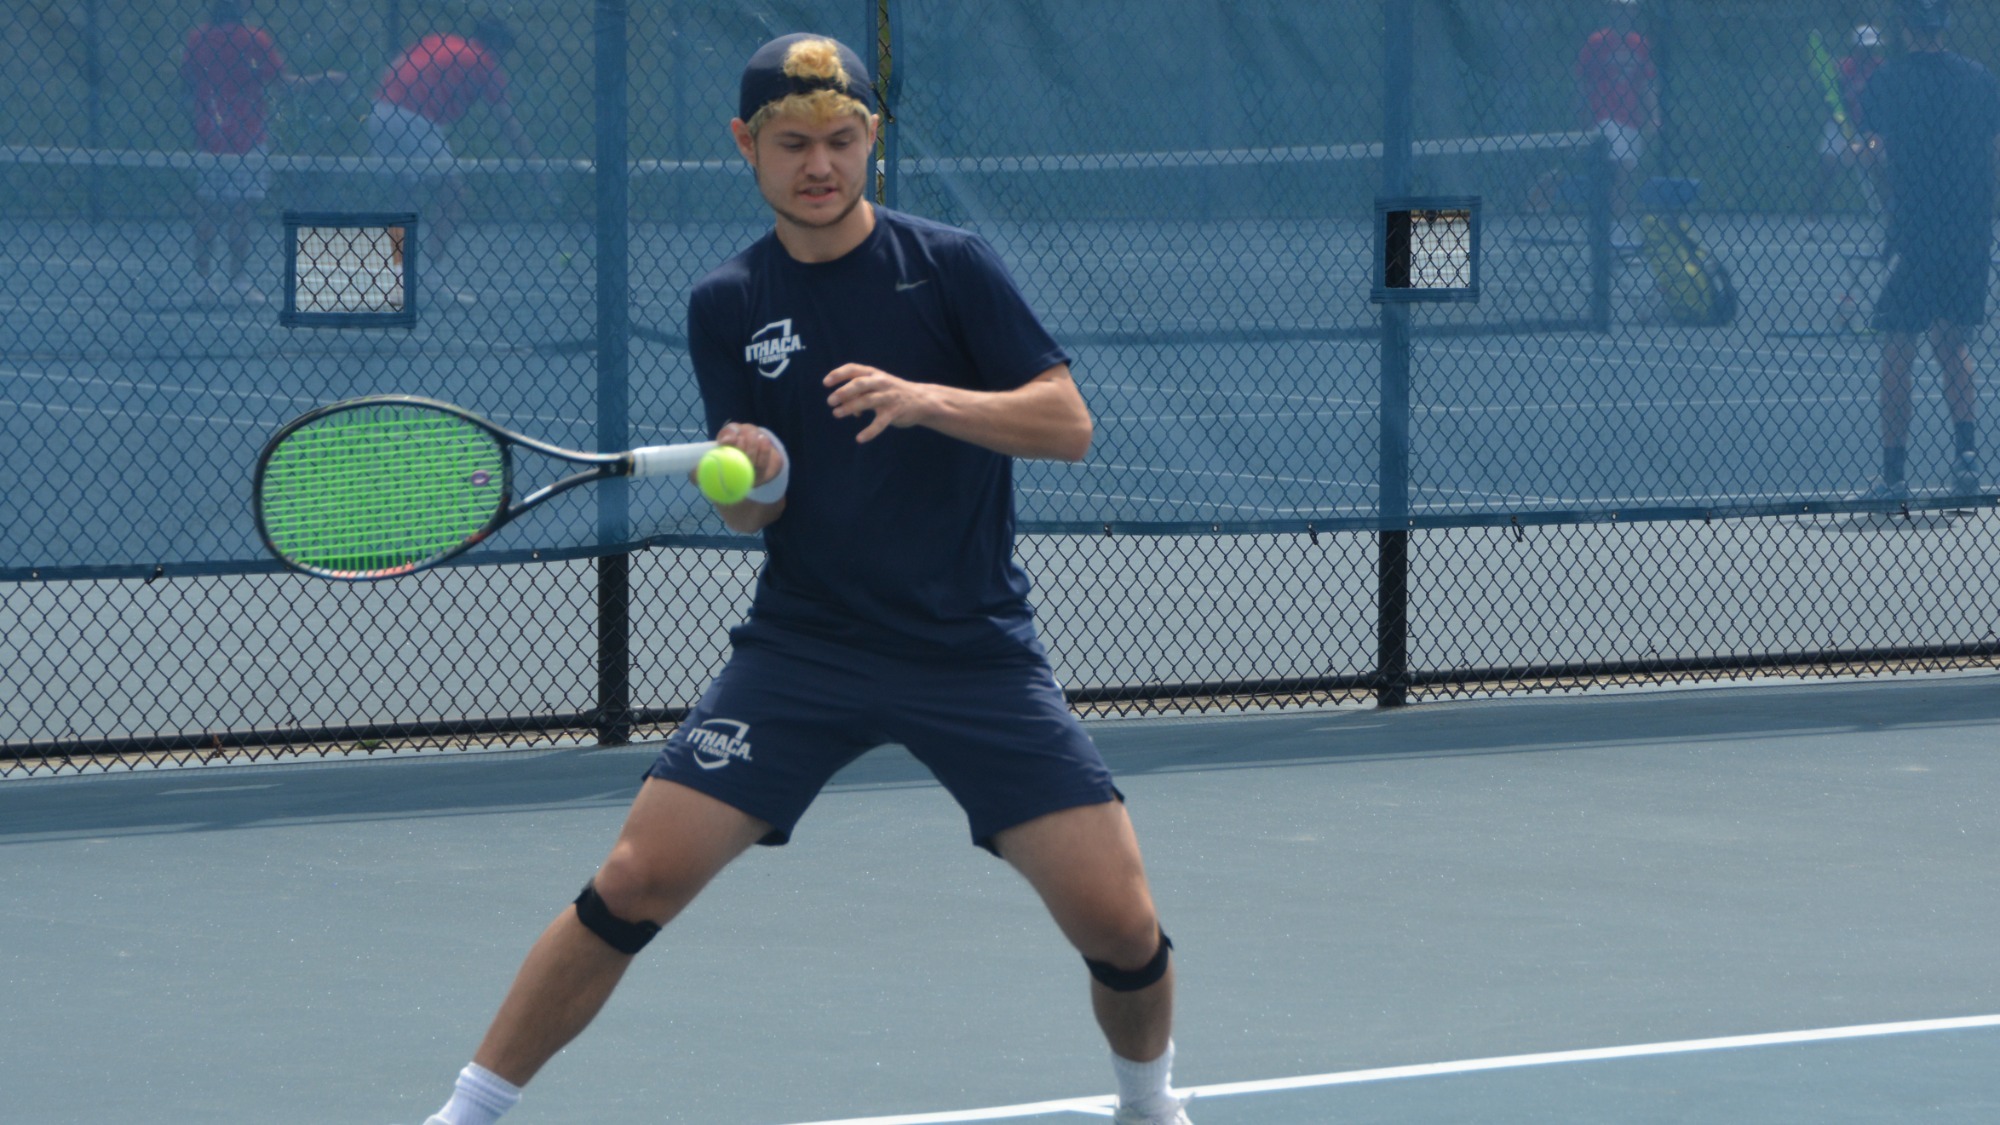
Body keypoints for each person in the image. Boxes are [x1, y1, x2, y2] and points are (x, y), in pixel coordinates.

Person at [410, 33, 1192, 1125]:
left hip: (969, 651)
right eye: (791, 144)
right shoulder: (725, 302)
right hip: (802, 651)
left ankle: (1149, 1107)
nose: (817, 164)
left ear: (870, 138)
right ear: (747, 147)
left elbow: (1066, 425)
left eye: (839, 140)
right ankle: (464, 1116)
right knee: (633, 880)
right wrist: (756, 476)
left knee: (1118, 924)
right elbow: (750, 509)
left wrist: (930, 400)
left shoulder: (948, 266)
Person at [1857, 0, 2000, 499]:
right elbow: (1993, 148)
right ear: (1944, 24)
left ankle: (1894, 475)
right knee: (1952, 340)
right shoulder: (1980, 78)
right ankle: (1966, 456)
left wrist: (1883, 190)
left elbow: (1875, 152)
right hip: (1969, 229)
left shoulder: (1887, 79)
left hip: (1917, 228)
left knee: (1899, 340)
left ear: (1903, 27)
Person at [180, 0, 345, 304]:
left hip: (209, 136)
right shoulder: (254, 39)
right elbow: (284, 83)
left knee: (207, 207)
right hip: (248, 137)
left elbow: (187, 80)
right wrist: (322, 80)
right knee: (241, 210)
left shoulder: (198, 38)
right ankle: (237, 281)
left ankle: (201, 281)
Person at [366, 18, 536, 282]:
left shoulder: (442, 40)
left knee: (404, 195)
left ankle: (398, 274)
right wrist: (535, 164)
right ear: (496, 45)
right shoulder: (484, 61)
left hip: (380, 109)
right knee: (452, 191)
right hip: (413, 117)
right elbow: (507, 122)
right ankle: (431, 277)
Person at [1575, 0, 1659, 222]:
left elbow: (1647, 84)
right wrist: (1582, 115)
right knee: (1623, 171)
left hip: (1632, 120)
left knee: (1627, 178)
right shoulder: (1596, 42)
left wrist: (1654, 116)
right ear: (1611, 10)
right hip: (1605, 117)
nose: (1624, 13)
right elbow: (1584, 82)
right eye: (1619, 8)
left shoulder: (1640, 44)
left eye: (1629, 9)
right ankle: (1615, 230)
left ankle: (1615, 227)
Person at [1809, 24, 1887, 221]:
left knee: (1880, 167)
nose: (1869, 52)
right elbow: (1831, 100)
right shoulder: (1842, 67)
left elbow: (1885, 100)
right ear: (1856, 48)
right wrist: (1843, 100)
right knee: (1827, 169)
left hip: (1870, 127)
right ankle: (1811, 221)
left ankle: (1891, 218)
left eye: (1872, 48)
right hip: (1841, 126)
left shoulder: (1882, 68)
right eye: (1864, 48)